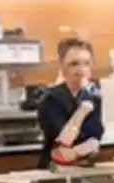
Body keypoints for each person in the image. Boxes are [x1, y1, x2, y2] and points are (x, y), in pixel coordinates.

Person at [37, 37, 105, 169]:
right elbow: (65, 141)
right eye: (74, 64)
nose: (81, 70)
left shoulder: (94, 98)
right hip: (54, 170)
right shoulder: (51, 99)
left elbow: (94, 140)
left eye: (86, 63)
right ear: (62, 67)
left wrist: (74, 152)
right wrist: (83, 109)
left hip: (84, 168)